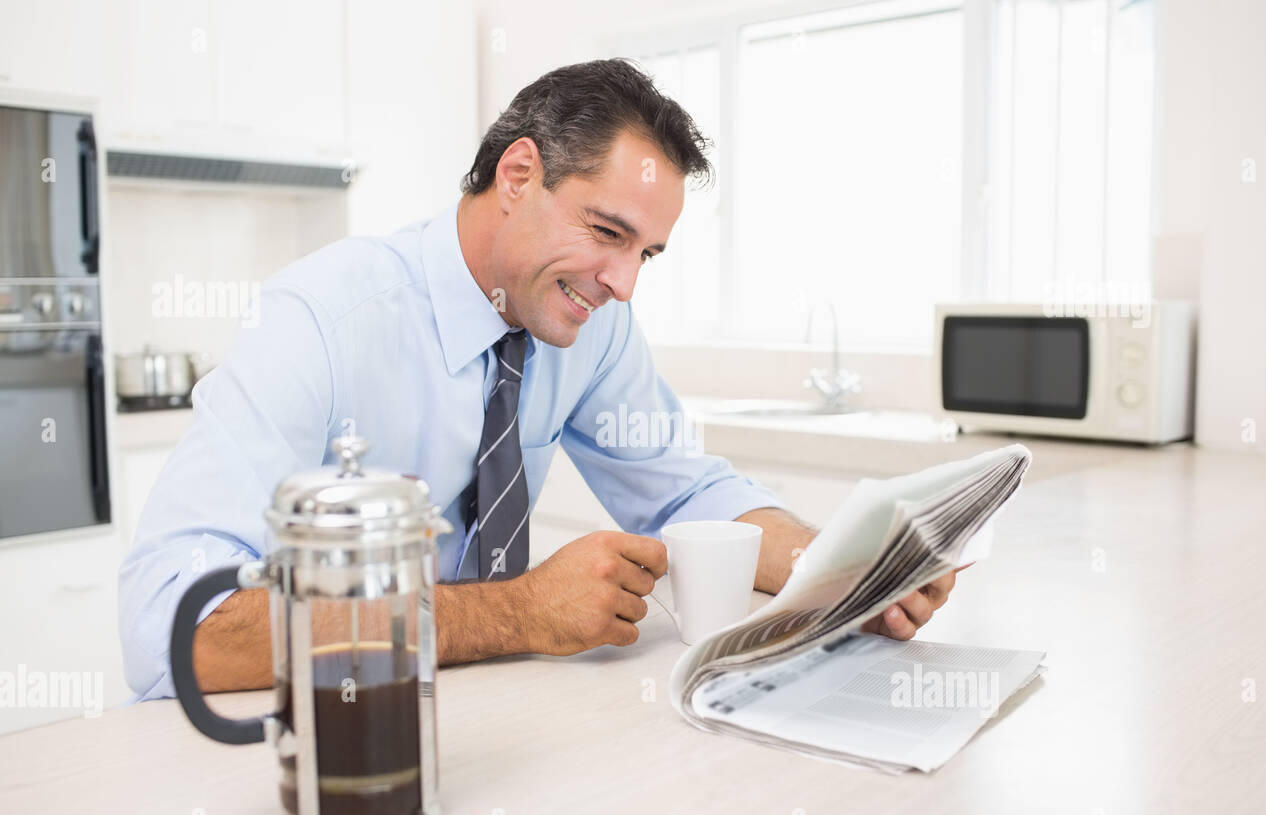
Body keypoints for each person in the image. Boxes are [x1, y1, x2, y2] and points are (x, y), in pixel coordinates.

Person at [118, 58, 963, 701]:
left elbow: (685, 496)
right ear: (518, 176)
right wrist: (519, 614)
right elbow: (169, 629)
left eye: (647, 255)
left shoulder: (588, 326)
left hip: (487, 727)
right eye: (607, 231)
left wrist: (851, 570)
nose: (625, 283)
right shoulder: (319, 325)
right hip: (320, 741)